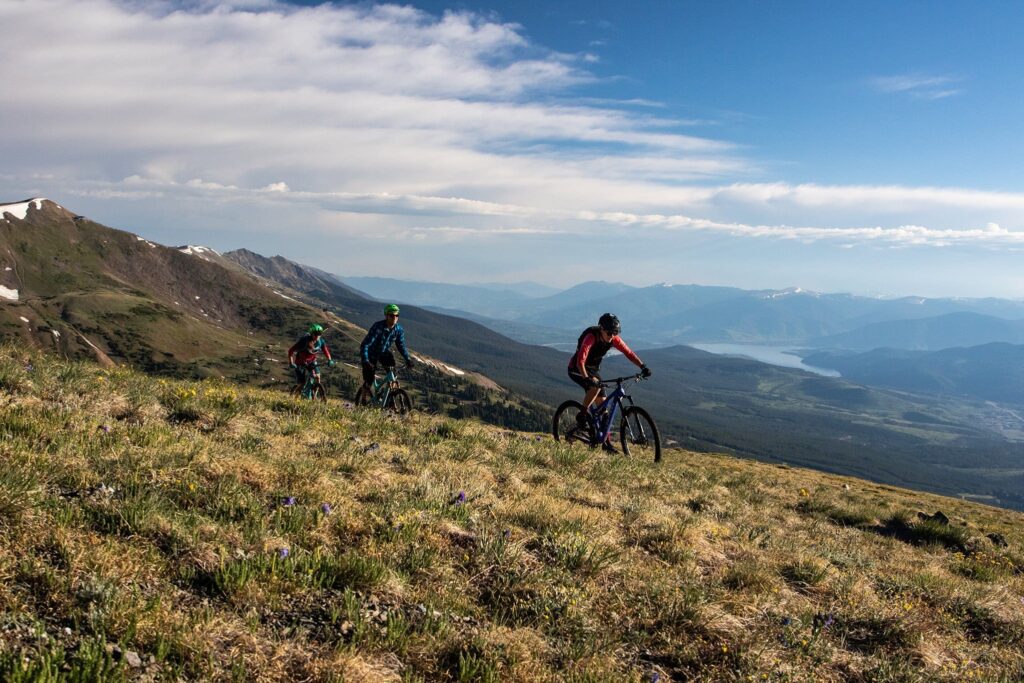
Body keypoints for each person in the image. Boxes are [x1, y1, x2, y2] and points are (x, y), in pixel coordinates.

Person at [567, 313, 651, 452]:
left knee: (604, 412)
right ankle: (582, 415)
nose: (612, 336)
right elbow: (580, 360)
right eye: (609, 333)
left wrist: (643, 366)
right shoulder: (591, 337)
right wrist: (587, 378)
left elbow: (628, 353)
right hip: (577, 369)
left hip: (592, 370)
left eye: (615, 333)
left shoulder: (613, 339)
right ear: (601, 329)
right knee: (594, 388)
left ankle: (606, 444)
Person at [359, 304, 414, 391]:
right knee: (369, 379)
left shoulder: (398, 330)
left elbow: (401, 346)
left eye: (397, 315)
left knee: (392, 374)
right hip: (371, 353)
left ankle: (391, 395)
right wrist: (365, 361)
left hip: (384, 353)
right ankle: (364, 395)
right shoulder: (378, 327)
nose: (394, 318)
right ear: (386, 316)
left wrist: (408, 359)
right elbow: (365, 344)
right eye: (391, 315)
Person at [288, 323, 335, 397]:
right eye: (315, 334)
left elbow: (325, 350)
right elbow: (291, 351)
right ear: (311, 334)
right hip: (300, 362)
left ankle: (314, 396)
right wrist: (291, 362)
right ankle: (295, 397)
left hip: (311, 361)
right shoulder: (304, 341)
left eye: (319, 334)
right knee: (302, 383)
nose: (317, 336)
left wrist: (329, 359)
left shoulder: (321, 341)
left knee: (318, 377)